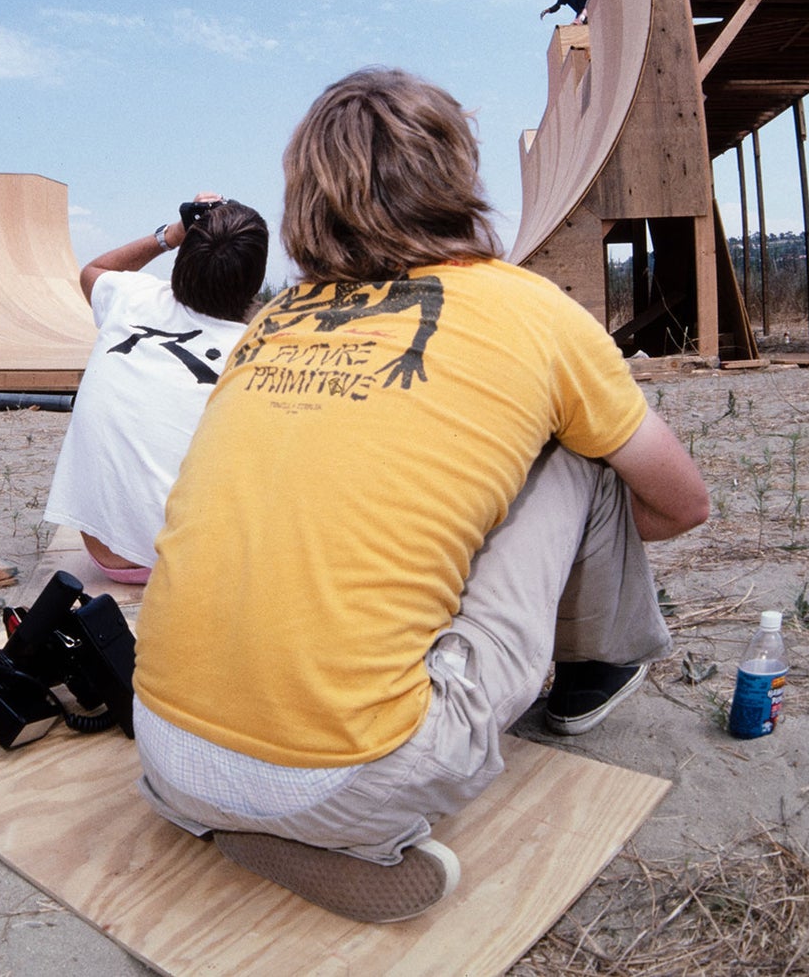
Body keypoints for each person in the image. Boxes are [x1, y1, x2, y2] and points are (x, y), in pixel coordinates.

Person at [132, 68, 710, 924]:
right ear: (455, 174)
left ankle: (235, 820)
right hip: (360, 772)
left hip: (165, 752)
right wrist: (506, 545)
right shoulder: (532, 310)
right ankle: (594, 673)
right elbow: (682, 503)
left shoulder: (272, 321)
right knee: (585, 456)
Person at [41, 195, 270, 584]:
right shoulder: (262, 349)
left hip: (108, 554)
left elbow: (94, 269)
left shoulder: (133, 299)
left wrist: (173, 234)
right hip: (197, 558)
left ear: (186, 258)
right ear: (255, 279)